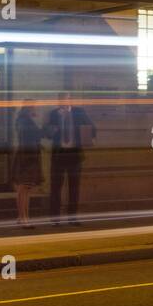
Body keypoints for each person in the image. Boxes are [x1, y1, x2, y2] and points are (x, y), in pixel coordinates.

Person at [45, 92, 94, 224]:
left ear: (70, 101)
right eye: (60, 100)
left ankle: (72, 218)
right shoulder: (54, 114)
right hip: (58, 155)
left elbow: (92, 128)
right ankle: (55, 218)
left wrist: (85, 134)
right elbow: (46, 134)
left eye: (65, 99)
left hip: (75, 156)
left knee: (74, 188)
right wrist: (52, 129)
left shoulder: (79, 112)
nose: (63, 102)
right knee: (55, 188)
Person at [11, 101, 43, 228]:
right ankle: (23, 218)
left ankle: (24, 217)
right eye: (34, 107)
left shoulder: (24, 120)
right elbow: (29, 136)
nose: (36, 109)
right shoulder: (24, 120)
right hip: (27, 156)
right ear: (29, 108)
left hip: (28, 156)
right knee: (23, 189)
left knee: (25, 189)